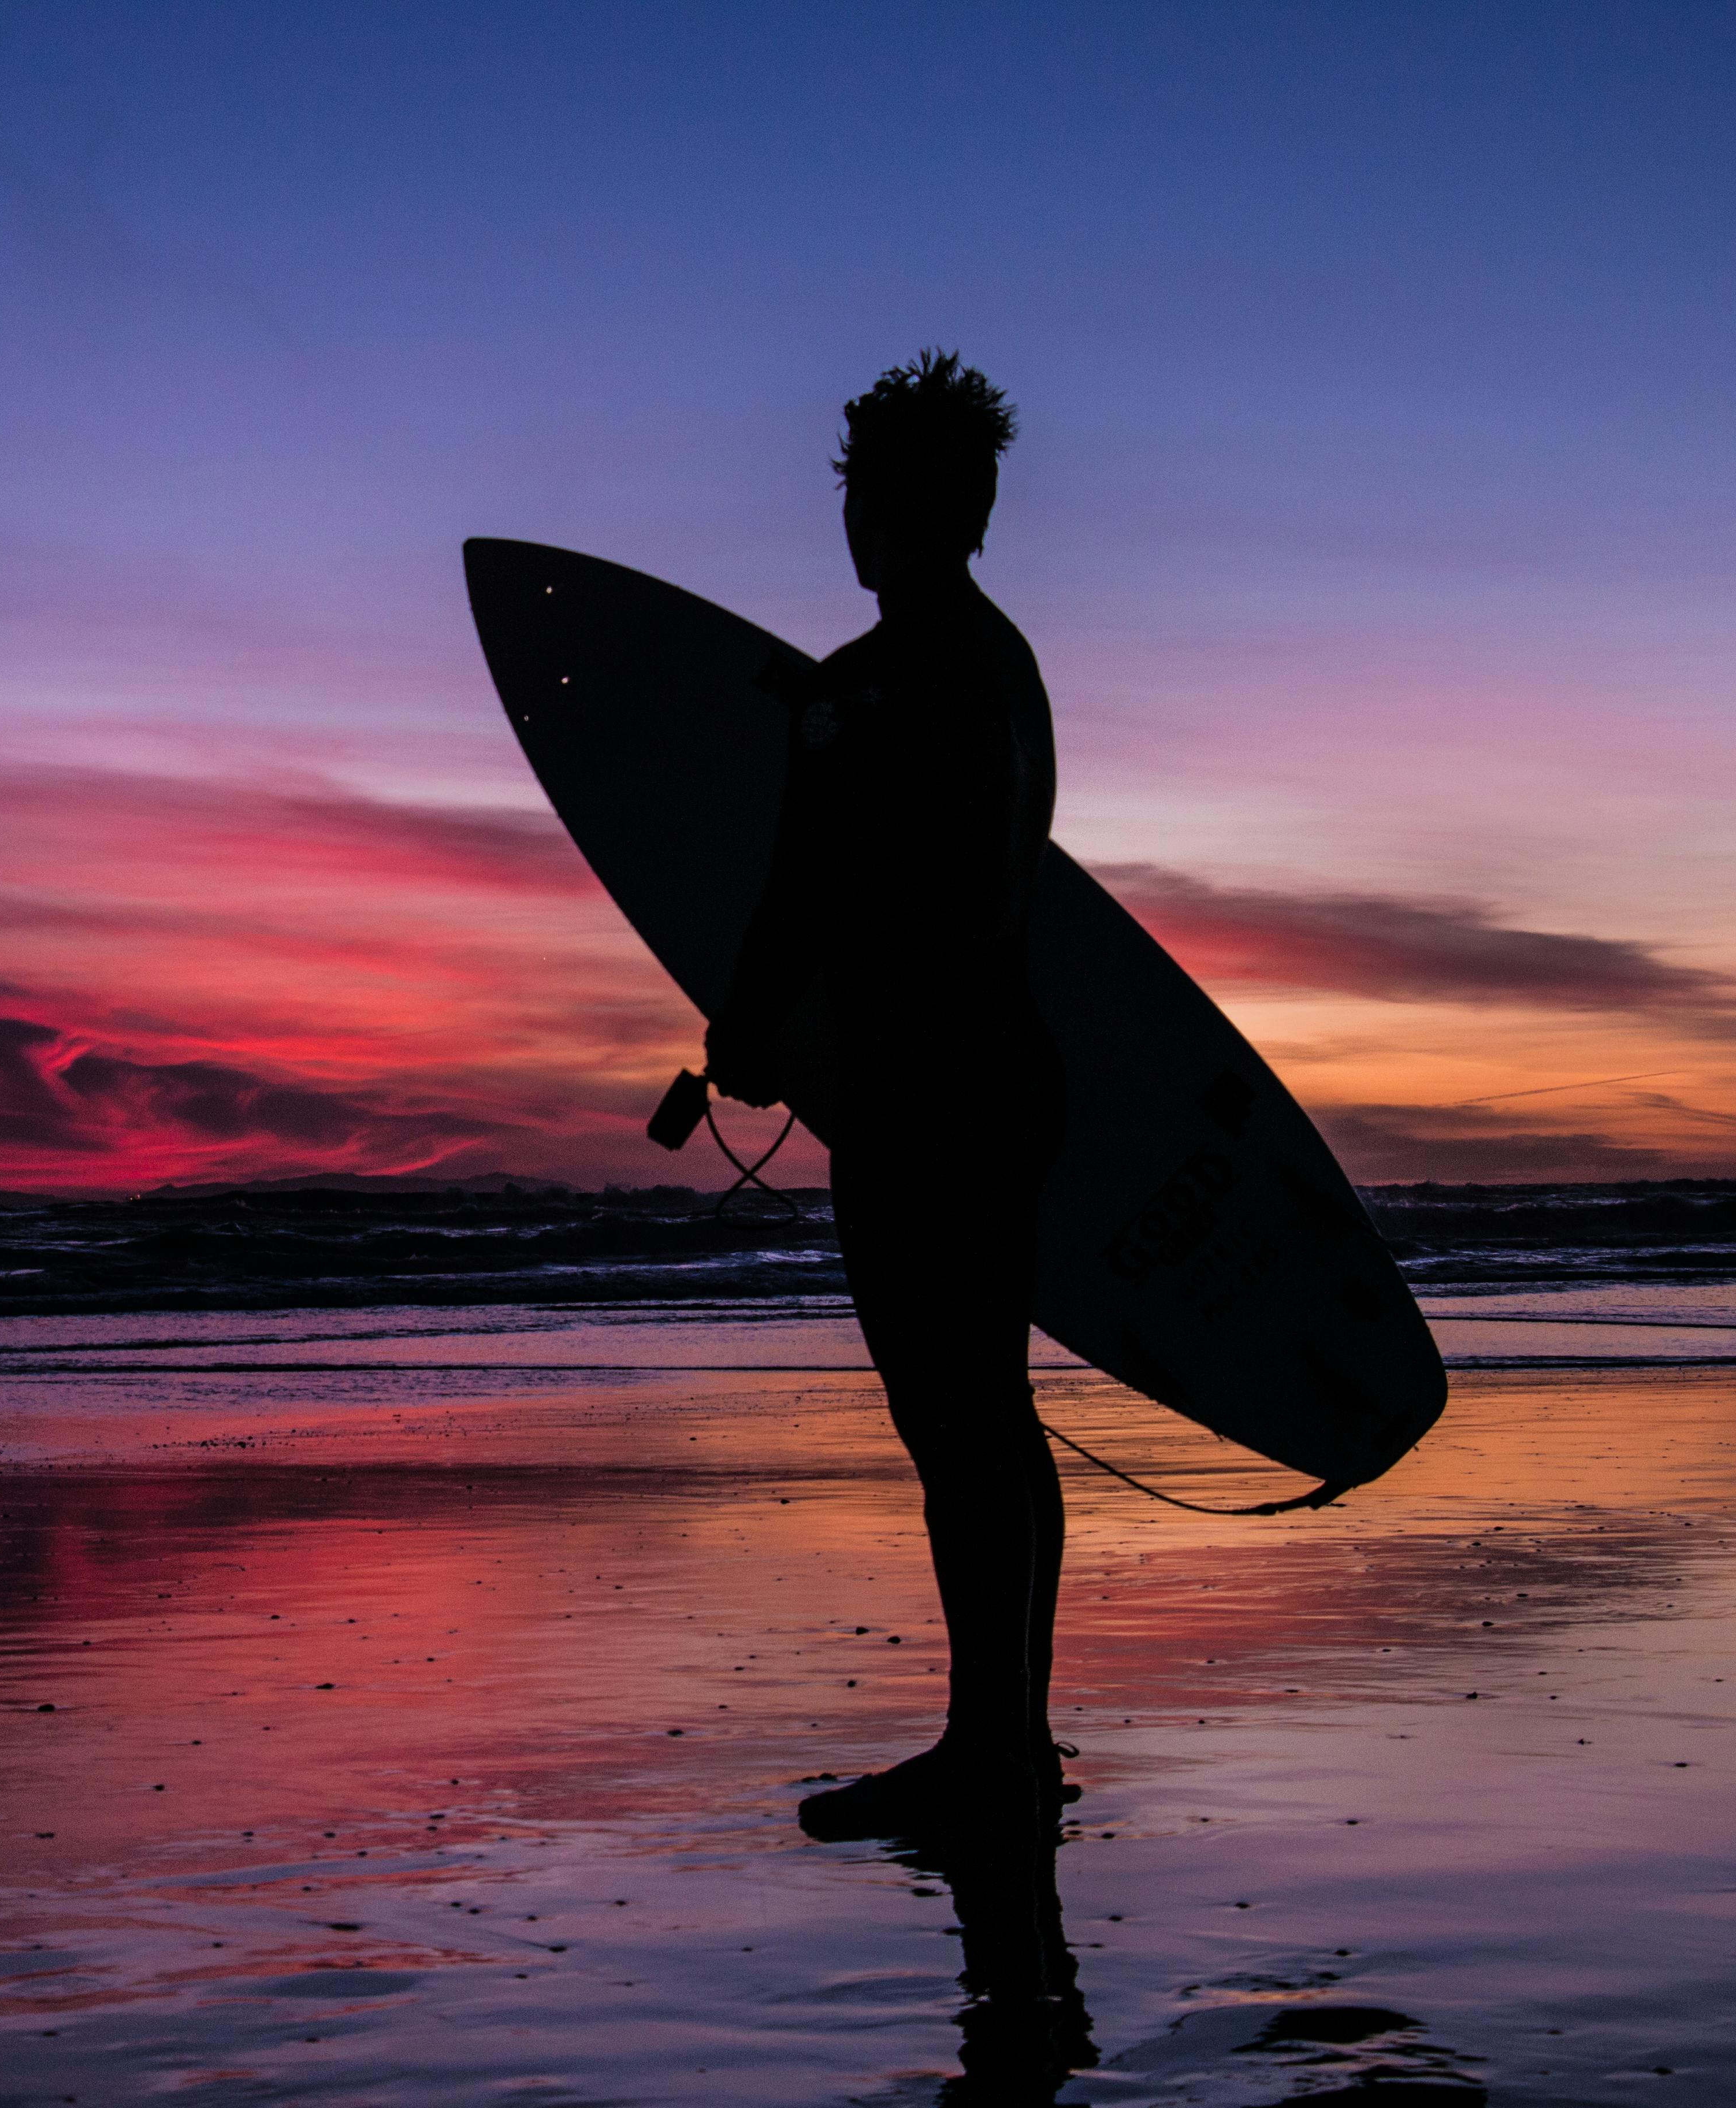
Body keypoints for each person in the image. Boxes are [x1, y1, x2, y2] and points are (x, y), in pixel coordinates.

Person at [702, 352, 1070, 1840]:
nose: (856, 519)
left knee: (957, 1418)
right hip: (1005, 1075)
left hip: (929, 1092)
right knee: (992, 1417)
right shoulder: (1007, 668)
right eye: (855, 489)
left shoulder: (867, 689)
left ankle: (991, 1753)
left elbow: (812, 894)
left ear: (945, 507)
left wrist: (752, 1021)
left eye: (876, 491)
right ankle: (1007, 1741)